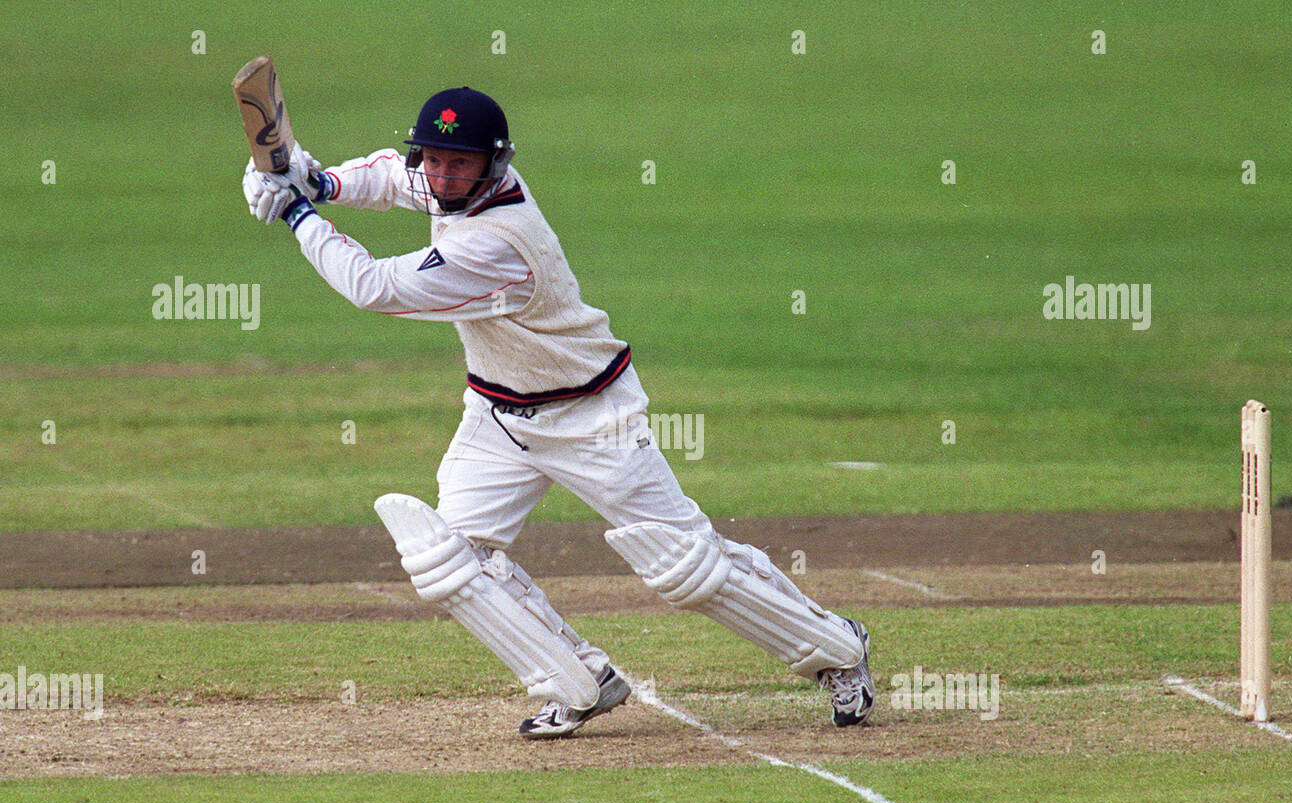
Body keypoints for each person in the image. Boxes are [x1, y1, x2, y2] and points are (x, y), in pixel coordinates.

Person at [241, 87, 875, 739]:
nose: (442, 175)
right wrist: (321, 180)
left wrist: (299, 213)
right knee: (452, 560)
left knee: (687, 568)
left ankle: (839, 652)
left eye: (459, 164)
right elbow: (392, 179)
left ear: (494, 165)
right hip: (497, 415)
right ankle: (577, 679)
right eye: (432, 159)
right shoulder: (451, 178)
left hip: (591, 416)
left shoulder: (498, 242)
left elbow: (374, 287)